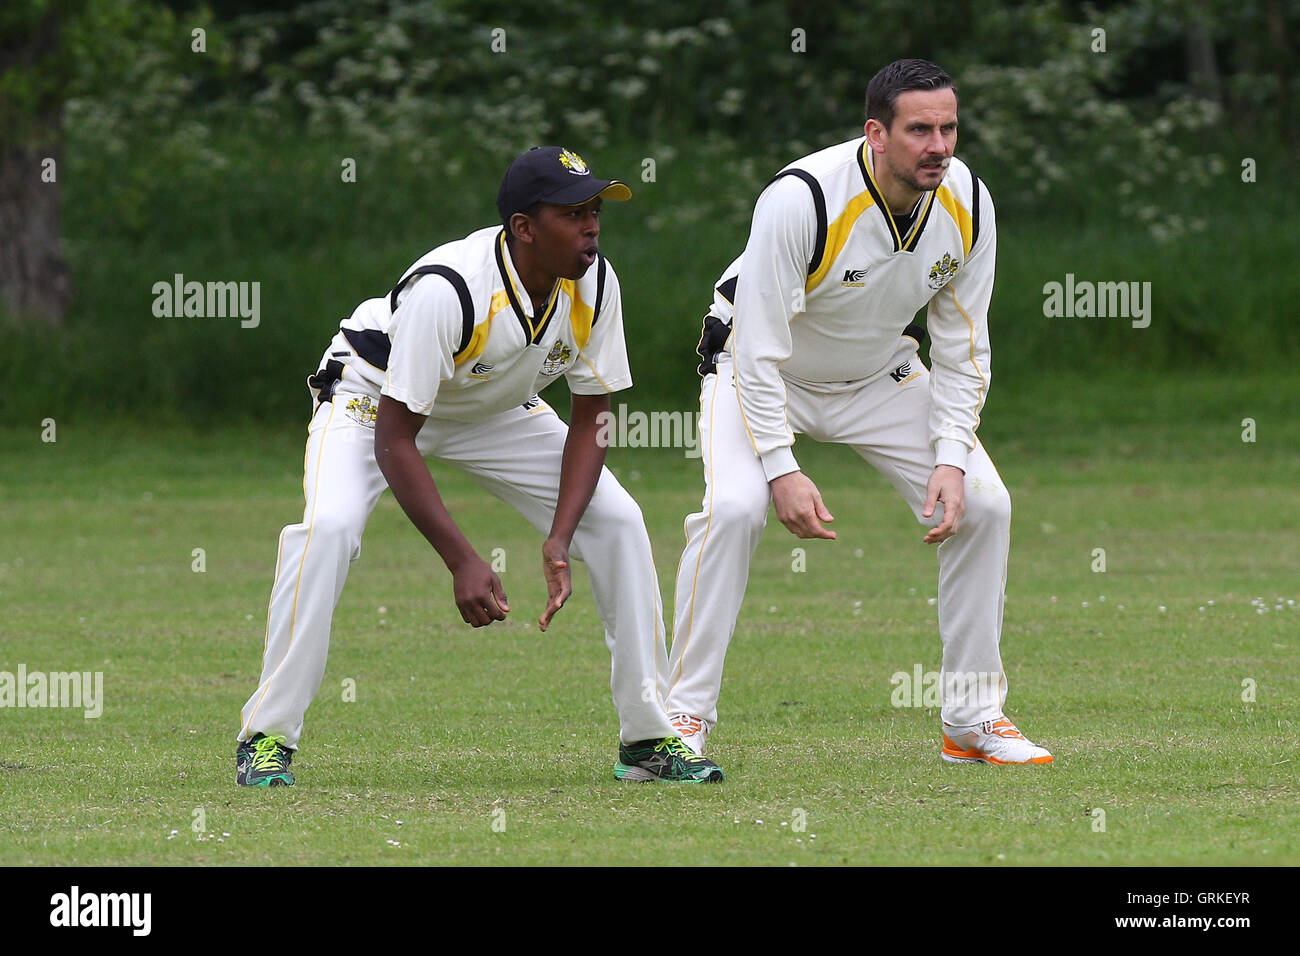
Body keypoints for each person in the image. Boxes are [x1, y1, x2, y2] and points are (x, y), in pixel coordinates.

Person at [236, 146, 724, 786]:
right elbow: (396, 441)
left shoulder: (595, 281)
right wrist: (463, 559)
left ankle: (647, 739)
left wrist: (560, 533)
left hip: (491, 406)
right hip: (375, 399)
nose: (592, 226)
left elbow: (592, 415)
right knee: (327, 531)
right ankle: (267, 738)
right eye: (573, 212)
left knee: (620, 521)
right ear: (524, 227)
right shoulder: (451, 289)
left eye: (595, 210)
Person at [665, 60, 1053, 765]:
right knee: (736, 511)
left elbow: (966, 343)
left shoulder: (967, 200)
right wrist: (781, 468)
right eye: (918, 130)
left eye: (948, 128)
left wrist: (950, 455)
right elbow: (754, 352)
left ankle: (972, 719)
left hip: (880, 374)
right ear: (876, 133)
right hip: (763, 370)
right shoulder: (800, 199)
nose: (938, 145)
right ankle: (679, 719)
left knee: (986, 506)